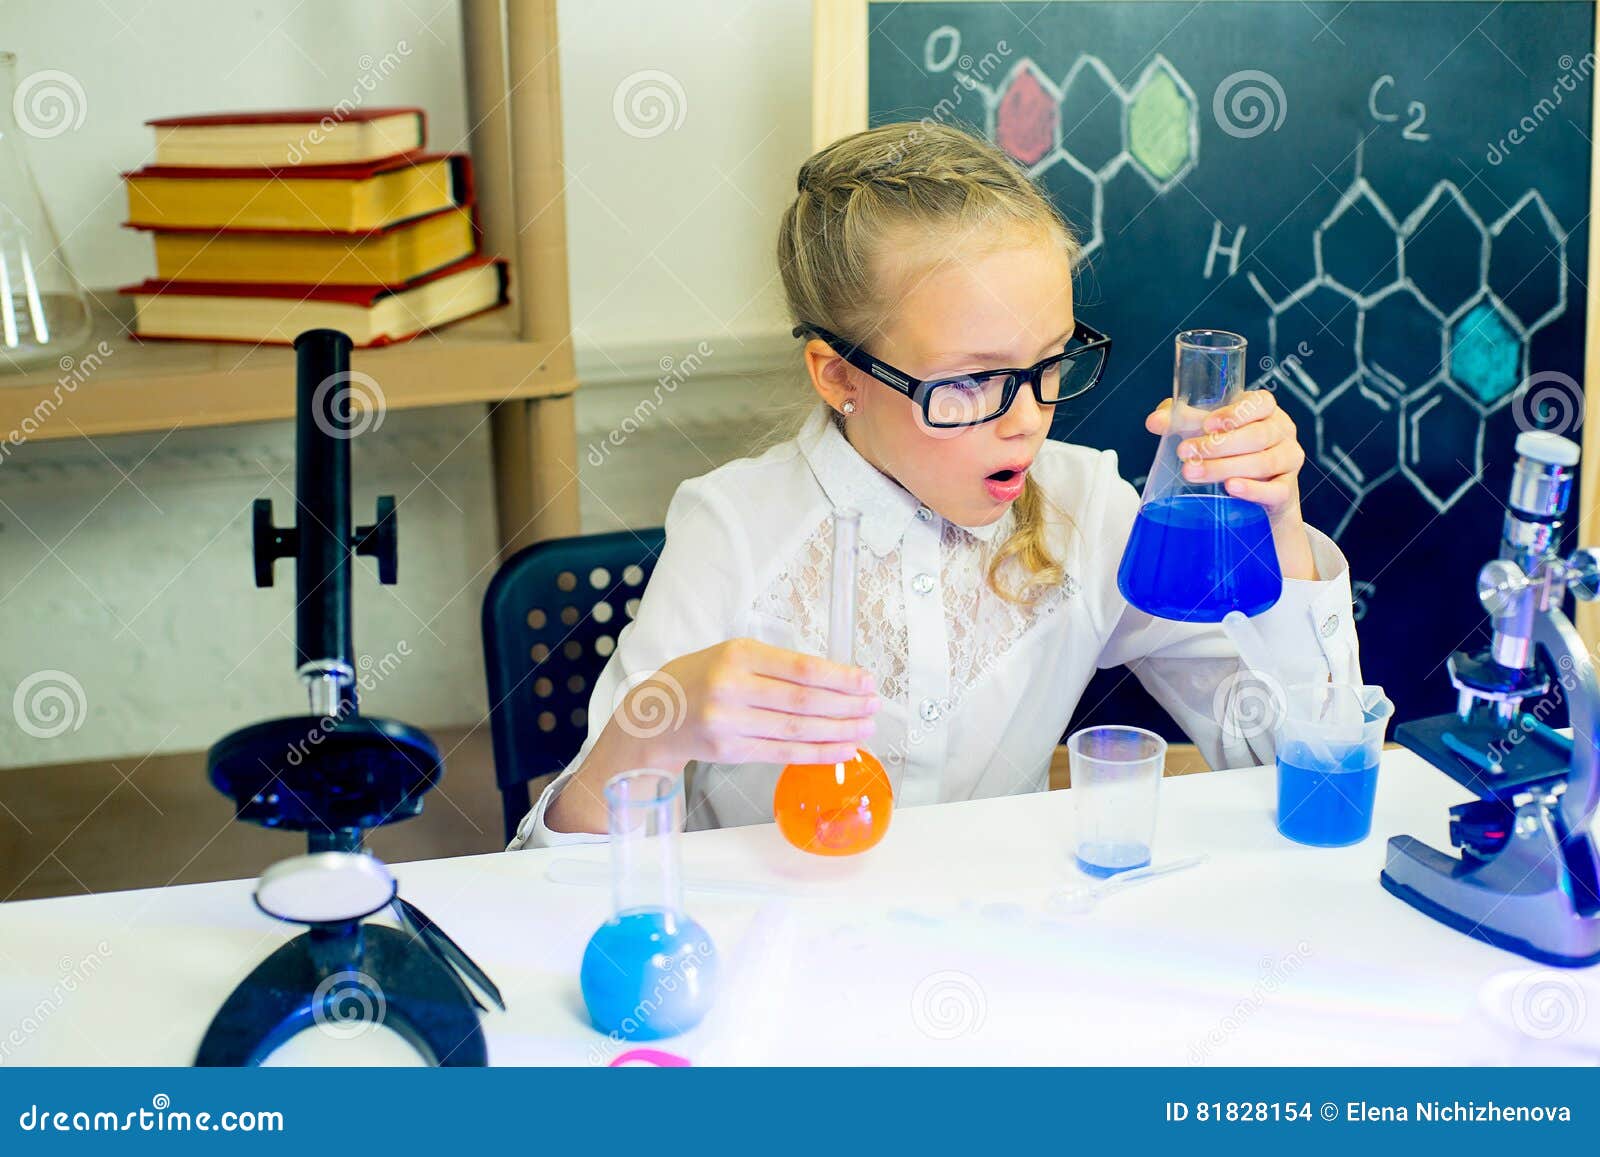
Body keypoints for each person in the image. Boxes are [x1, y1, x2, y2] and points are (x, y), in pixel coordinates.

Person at [508, 122, 1359, 850]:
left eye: (1051, 362)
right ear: (840, 375)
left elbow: (1299, 764)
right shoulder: (733, 529)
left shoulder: (1086, 509)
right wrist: (661, 718)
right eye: (969, 381)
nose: (1027, 419)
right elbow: (552, 875)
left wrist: (1276, 528)